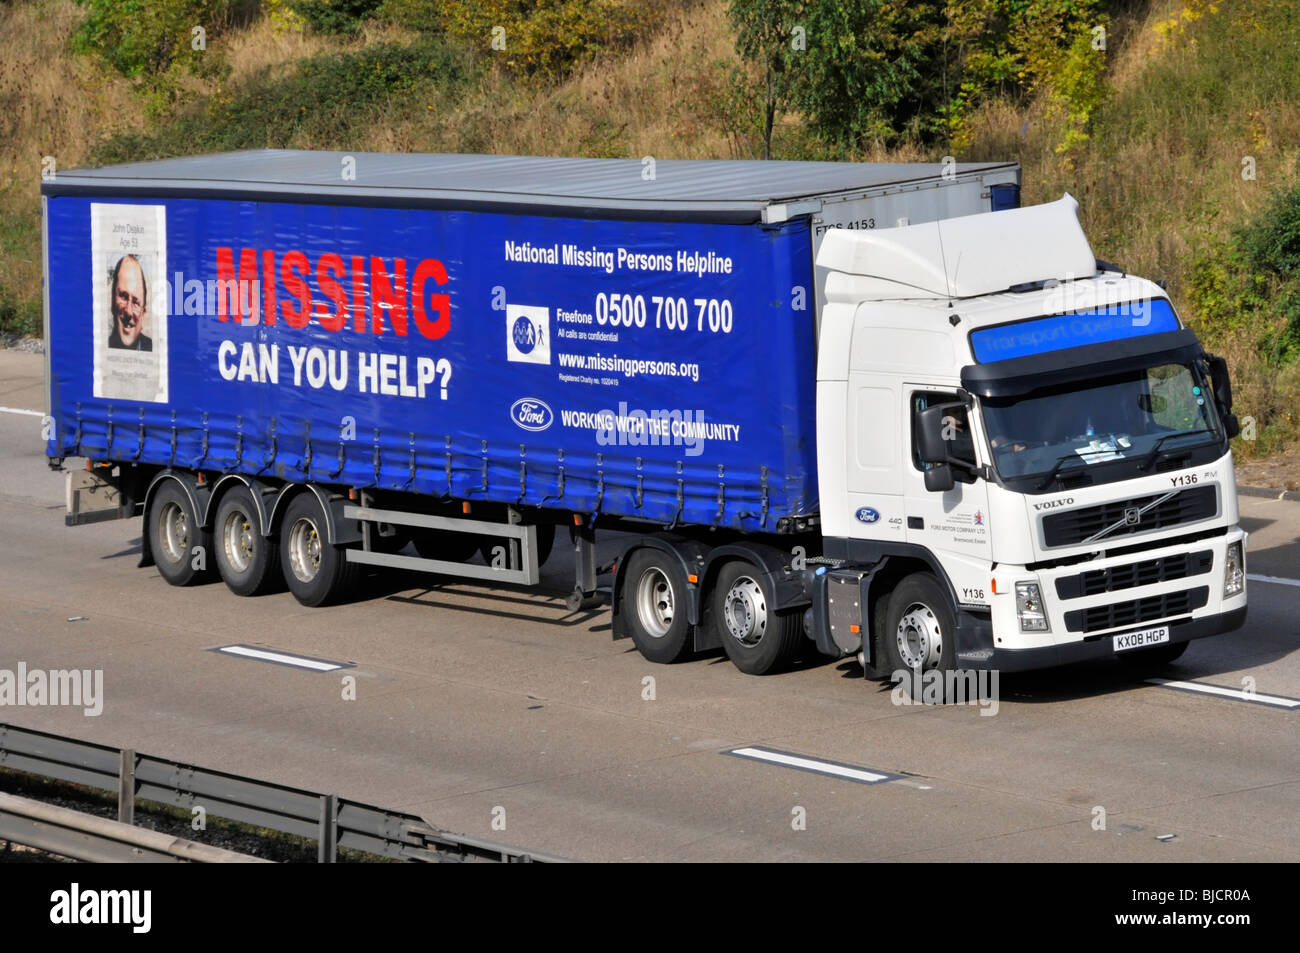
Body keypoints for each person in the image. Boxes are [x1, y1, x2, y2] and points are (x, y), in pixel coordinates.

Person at [107, 255, 153, 351]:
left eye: (136, 302)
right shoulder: (101, 346)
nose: (128, 311)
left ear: (143, 312)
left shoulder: (153, 348)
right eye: (123, 297)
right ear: (112, 301)